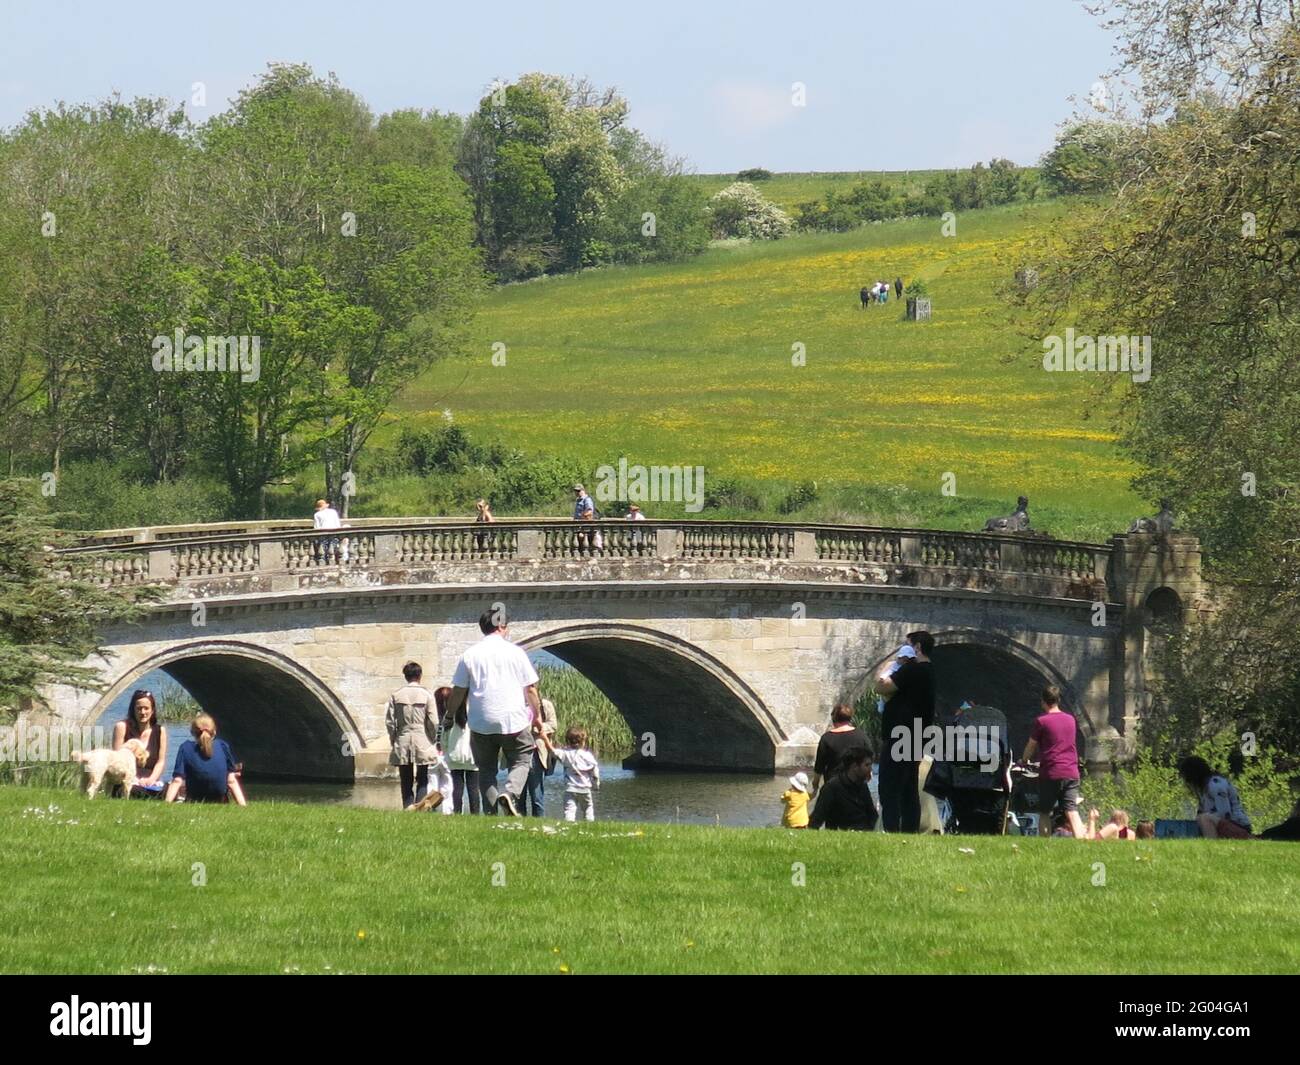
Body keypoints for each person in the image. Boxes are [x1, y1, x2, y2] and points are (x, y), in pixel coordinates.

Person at [445, 606, 542, 816]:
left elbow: (459, 691)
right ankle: (510, 792)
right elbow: (531, 689)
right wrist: (537, 717)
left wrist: (450, 715)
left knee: (486, 770)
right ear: (502, 626)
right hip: (513, 720)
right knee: (523, 758)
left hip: (481, 721)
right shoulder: (515, 652)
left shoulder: (469, 655)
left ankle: (490, 815)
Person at [874, 630, 936, 832]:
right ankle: (909, 830)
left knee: (889, 785)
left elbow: (881, 688)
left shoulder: (912, 669)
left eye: (907, 645)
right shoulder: (928, 671)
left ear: (917, 647)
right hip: (916, 736)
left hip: (901, 736)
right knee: (909, 787)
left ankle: (891, 829)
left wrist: (885, 666)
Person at [1021, 685, 1086, 838]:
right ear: (1058, 700)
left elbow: (1031, 745)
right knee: (1071, 809)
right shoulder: (1071, 719)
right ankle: (1083, 843)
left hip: (1051, 772)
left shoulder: (1042, 721)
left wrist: (1024, 760)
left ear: (1043, 702)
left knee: (1044, 812)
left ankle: (1045, 844)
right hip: (1071, 771)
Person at [386, 662, 439, 809]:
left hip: (403, 735)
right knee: (422, 776)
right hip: (422, 737)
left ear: (405, 676)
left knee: (405, 776)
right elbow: (434, 721)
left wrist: (393, 737)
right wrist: (433, 738)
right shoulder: (427, 695)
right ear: (420, 676)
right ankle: (420, 807)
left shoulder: (396, 695)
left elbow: (390, 722)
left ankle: (407, 806)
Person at [164, 713, 246, 805]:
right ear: (214, 732)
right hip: (219, 800)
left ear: (192, 732)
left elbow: (177, 780)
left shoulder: (185, 748)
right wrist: (243, 805)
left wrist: (166, 804)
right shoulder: (223, 746)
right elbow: (231, 781)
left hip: (194, 800)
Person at [111, 689, 168, 798]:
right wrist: (135, 779)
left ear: (152, 710)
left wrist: (151, 779)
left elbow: (160, 762)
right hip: (127, 779)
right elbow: (117, 760)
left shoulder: (160, 731)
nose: (142, 712)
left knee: (167, 790)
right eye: (139, 708)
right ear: (133, 710)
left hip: (150, 780)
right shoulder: (122, 727)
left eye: (146, 708)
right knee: (132, 790)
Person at [1177, 755, 1251, 839]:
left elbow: (1225, 814)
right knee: (1200, 818)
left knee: (1204, 818)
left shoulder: (1216, 786)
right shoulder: (1203, 789)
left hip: (1238, 826)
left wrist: (1205, 820)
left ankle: (1212, 844)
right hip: (1222, 825)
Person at [538, 726, 600, 822]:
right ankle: (590, 824)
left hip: (570, 789)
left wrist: (545, 738)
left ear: (568, 741)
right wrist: (595, 785)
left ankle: (569, 824)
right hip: (585, 789)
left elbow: (552, 750)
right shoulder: (588, 756)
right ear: (583, 741)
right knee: (588, 808)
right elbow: (595, 773)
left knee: (569, 810)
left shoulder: (565, 754)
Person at [809, 746, 878, 830]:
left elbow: (872, 814)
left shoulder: (862, 786)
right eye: (867, 765)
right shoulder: (832, 787)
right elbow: (817, 818)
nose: (870, 769)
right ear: (854, 766)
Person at [810, 704, 869, 796]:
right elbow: (869, 760)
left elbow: (819, 767)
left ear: (834, 718)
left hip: (833, 787)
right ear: (850, 718)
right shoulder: (862, 736)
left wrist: (815, 785)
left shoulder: (826, 738)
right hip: (856, 785)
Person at [440, 685, 480, 814]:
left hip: (454, 756)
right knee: (474, 789)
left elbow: (444, 736)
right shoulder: (475, 712)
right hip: (473, 757)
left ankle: (457, 813)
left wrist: (446, 751)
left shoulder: (451, 713)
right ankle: (475, 815)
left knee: (457, 789)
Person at [523, 692, 558, 817]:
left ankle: (538, 823)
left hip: (537, 752)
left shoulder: (545, 705)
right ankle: (518, 824)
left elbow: (553, 725)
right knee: (518, 795)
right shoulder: (515, 703)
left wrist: (536, 727)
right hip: (518, 751)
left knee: (536, 794)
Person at [313, 498, 342, 563]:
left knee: (323, 550)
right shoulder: (333, 512)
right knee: (334, 549)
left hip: (323, 534)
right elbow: (338, 524)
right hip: (334, 533)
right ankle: (333, 561)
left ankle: (323, 562)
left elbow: (316, 527)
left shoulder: (317, 515)